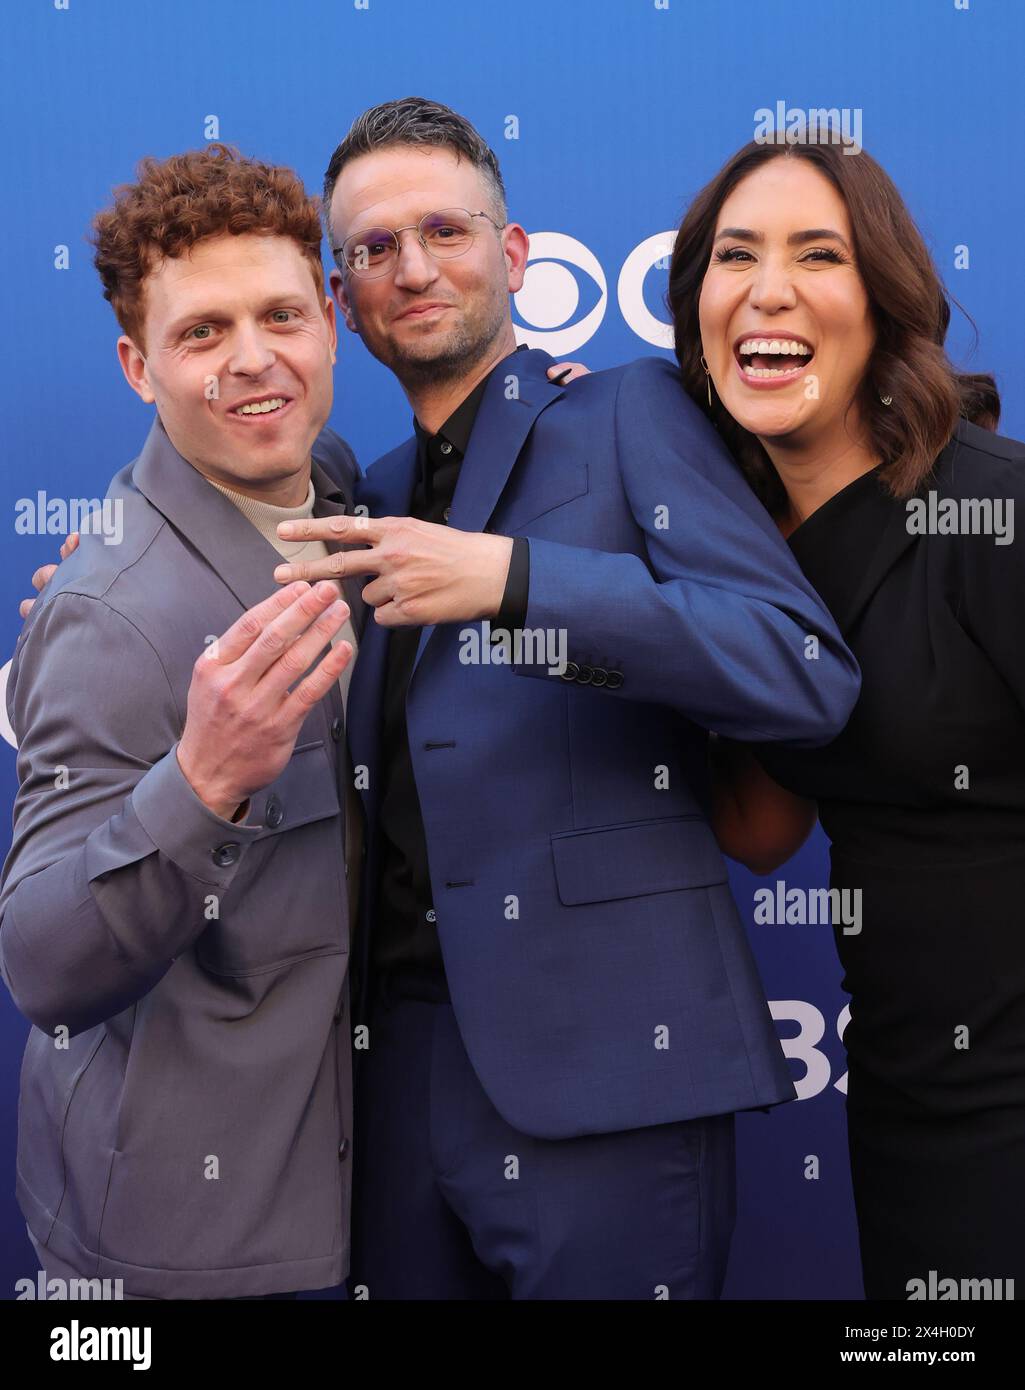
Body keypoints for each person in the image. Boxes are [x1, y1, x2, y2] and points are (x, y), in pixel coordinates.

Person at [269, 97, 861, 1299]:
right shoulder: (362, 489)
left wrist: (520, 580)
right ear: (343, 295)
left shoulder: (626, 411)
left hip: (608, 1076)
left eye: (445, 228)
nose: (413, 267)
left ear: (515, 253)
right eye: (373, 249)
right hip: (388, 1079)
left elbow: (799, 670)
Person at [668, 136, 1025, 1300]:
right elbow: (760, 826)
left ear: (881, 302)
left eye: (814, 253)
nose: (766, 287)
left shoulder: (992, 509)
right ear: (699, 308)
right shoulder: (746, 555)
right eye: (734, 256)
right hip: (909, 1111)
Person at [1, 146, 361, 1298]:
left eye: (281, 315)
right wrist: (200, 781)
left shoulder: (341, 491)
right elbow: (42, 963)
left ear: (330, 322)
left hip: (348, 1193)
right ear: (135, 365)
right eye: (202, 332)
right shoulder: (108, 615)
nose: (255, 359)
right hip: (170, 1258)